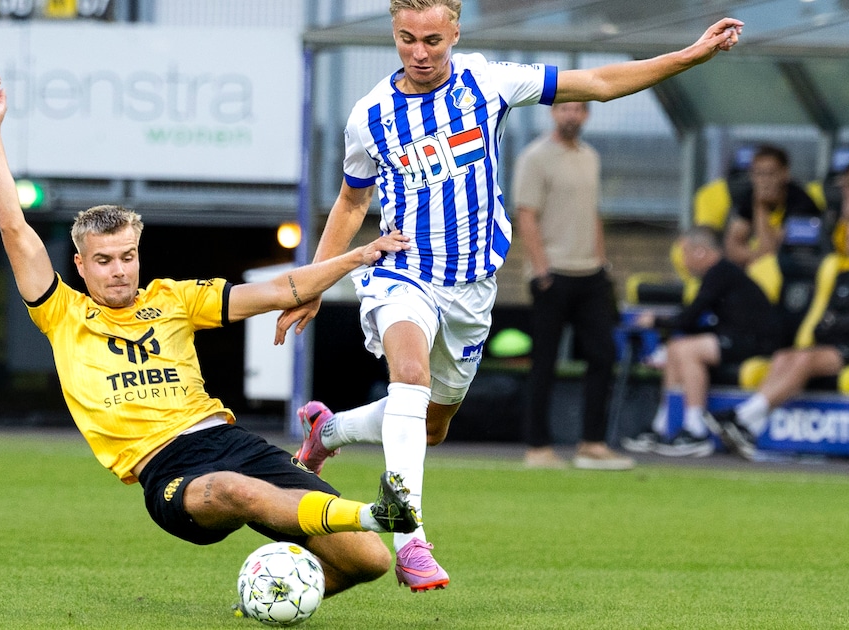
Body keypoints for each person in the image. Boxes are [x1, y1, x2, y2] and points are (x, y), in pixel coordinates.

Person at [274, 0, 743, 592]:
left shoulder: (488, 82)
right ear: (393, 34)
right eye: (406, 39)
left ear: (455, 32)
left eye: (433, 40)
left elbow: (596, 83)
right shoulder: (371, 115)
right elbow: (350, 202)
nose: (420, 53)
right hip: (402, 271)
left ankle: (329, 432)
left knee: (432, 426)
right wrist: (315, 281)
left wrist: (690, 54)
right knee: (409, 379)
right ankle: (411, 540)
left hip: (471, 288)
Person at [0, 77, 422, 598]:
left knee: (369, 561)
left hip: (228, 439)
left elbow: (277, 290)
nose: (118, 271)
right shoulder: (61, 312)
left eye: (126, 257)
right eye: (103, 261)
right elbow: (13, 229)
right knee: (234, 490)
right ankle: (377, 511)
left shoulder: (174, 299)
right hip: (170, 471)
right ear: (79, 264)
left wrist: (355, 256)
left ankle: (272, 597)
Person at [711, 212, 849, 459]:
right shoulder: (844, 276)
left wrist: (840, 321)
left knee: (804, 360)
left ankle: (742, 417)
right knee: (784, 357)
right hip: (838, 346)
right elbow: (822, 325)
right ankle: (751, 426)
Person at [512, 101, 633, 471]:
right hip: (554, 275)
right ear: (553, 113)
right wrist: (542, 269)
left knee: (602, 356)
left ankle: (592, 444)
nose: (571, 115)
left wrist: (602, 262)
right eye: (564, 108)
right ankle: (537, 447)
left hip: (591, 274)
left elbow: (592, 213)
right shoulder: (534, 157)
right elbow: (526, 215)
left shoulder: (590, 157)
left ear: (587, 116)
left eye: (578, 109)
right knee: (545, 362)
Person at [621, 226, 783, 457]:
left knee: (686, 350)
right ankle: (661, 426)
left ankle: (696, 431)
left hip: (758, 343)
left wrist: (655, 320)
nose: (684, 262)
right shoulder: (718, 274)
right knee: (676, 349)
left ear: (700, 252)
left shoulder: (721, 272)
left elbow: (688, 317)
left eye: (686, 253)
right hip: (736, 338)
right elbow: (694, 323)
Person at [723, 144, 822, 268]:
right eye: (759, 174)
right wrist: (754, 256)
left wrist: (761, 207)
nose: (764, 181)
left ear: (785, 174)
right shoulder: (748, 196)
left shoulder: (802, 204)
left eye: (770, 174)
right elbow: (732, 246)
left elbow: (770, 252)